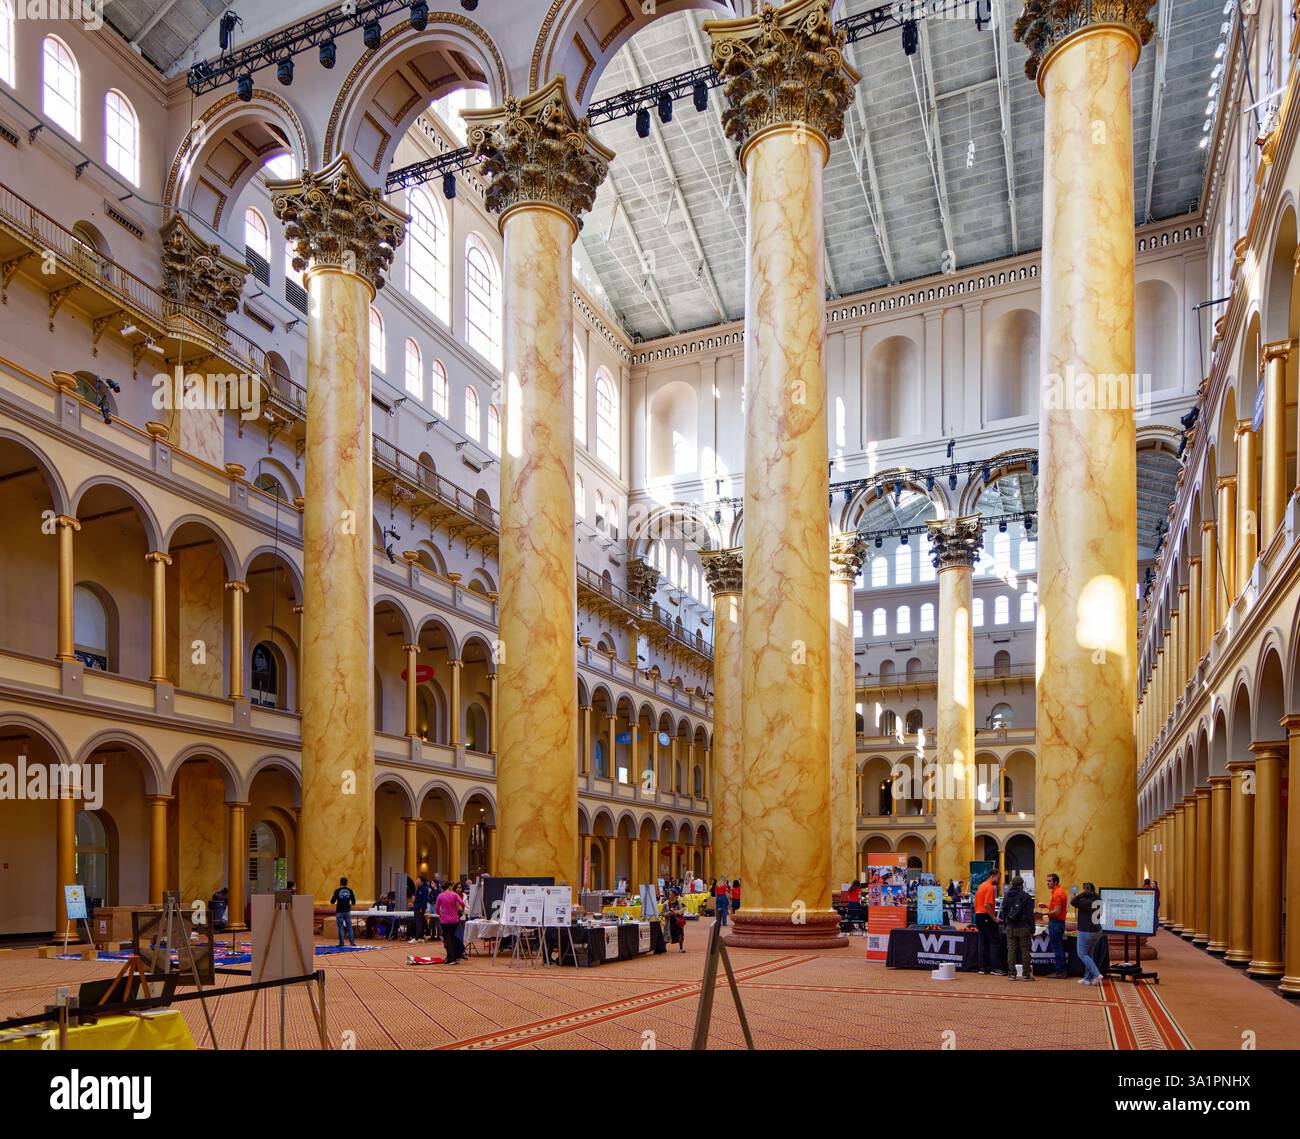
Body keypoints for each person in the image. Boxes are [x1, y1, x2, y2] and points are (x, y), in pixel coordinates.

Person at [1000, 875, 1035, 981]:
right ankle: (1026, 974)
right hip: (1024, 927)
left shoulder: (1006, 896)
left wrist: (1006, 925)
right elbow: (1030, 914)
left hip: (1010, 926)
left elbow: (1004, 912)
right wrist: (1032, 928)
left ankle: (1011, 974)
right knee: (1025, 950)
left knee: (1011, 950)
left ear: (1012, 884)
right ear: (1021, 885)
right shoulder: (1026, 896)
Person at [1072, 881, 1104, 986]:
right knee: (1089, 955)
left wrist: (1084, 894)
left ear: (1087, 891)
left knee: (1082, 954)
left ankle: (1096, 974)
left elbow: (1073, 902)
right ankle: (1087, 978)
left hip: (1086, 931)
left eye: (1084, 889)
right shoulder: (1099, 899)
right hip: (1097, 931)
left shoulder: (1086, 902)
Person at [974, 870, 1004, 975]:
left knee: (982, 942)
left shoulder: (981, 885)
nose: (999, 881)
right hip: (986, 916)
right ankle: (995, 968)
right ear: (992, 876)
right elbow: (987, 905)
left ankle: (983, 967)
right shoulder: (990, 887)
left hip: (978, 916)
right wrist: (994, 918)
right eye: (998, 878)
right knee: (994, 942)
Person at [1045, 873, 1069, 978]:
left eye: (1049, 881)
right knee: (1058, 947)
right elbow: (1057, 908)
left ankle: (1060, 972)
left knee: (1057, 948)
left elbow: (1057, 911)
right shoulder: (1059, 892)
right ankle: (1061, 971)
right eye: (1047, 881)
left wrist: (1043, 913)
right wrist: (1046, 906)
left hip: (1056, 923)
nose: (1047, 883)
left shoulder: (1057, 894)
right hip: (1057, 923)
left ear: (1055, 882)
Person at [436, 880, 465, 963]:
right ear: (449, 887)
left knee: (447, 939)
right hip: (455, 920)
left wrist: (440, 914)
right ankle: (454, 956)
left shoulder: (440, 896)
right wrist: (462, 910)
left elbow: (437, 908)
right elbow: (462, 903)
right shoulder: (454, 894)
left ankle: (451, 958)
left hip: (445, 920)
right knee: (452, 938)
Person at [330, 876, 357, 948]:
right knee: (349, 927)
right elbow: (354, 902)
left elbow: (332, 902)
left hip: (339, 911)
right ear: (347, 883)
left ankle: (341, 943)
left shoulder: (337, 891)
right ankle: (352, 942)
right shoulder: (350, 891)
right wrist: (349, 905)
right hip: (347, 911)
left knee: (340, 927)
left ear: (340, 883)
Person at [411, 875, 432, 943]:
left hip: (420, 909)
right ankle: (420, 937)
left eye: (418, 880)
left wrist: (421, 908)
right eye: (416, 880)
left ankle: (416, 938)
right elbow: (417, 900)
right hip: (416, 908)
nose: (416, 881)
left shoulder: (425, 889)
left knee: (419, 924)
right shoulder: (418, 889)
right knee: (419, 923)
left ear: (422, 882)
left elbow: (424, 900)